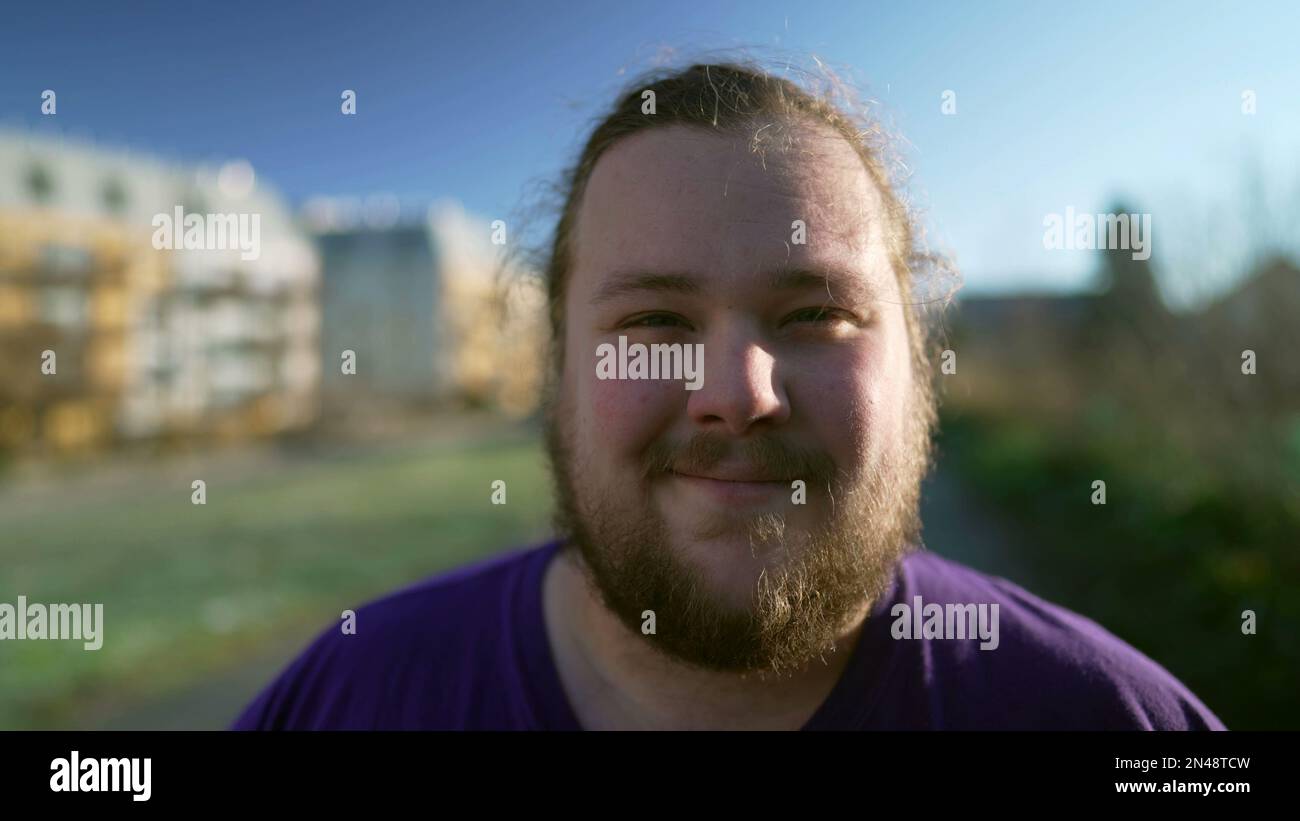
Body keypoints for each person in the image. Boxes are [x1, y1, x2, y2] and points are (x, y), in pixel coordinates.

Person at [232, 61, 1224, 731]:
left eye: (813, 314)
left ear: (918, 364)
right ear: (558, 374)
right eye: (654, 323)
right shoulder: (348, 697)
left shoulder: (1111, 719)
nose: (737, 395)